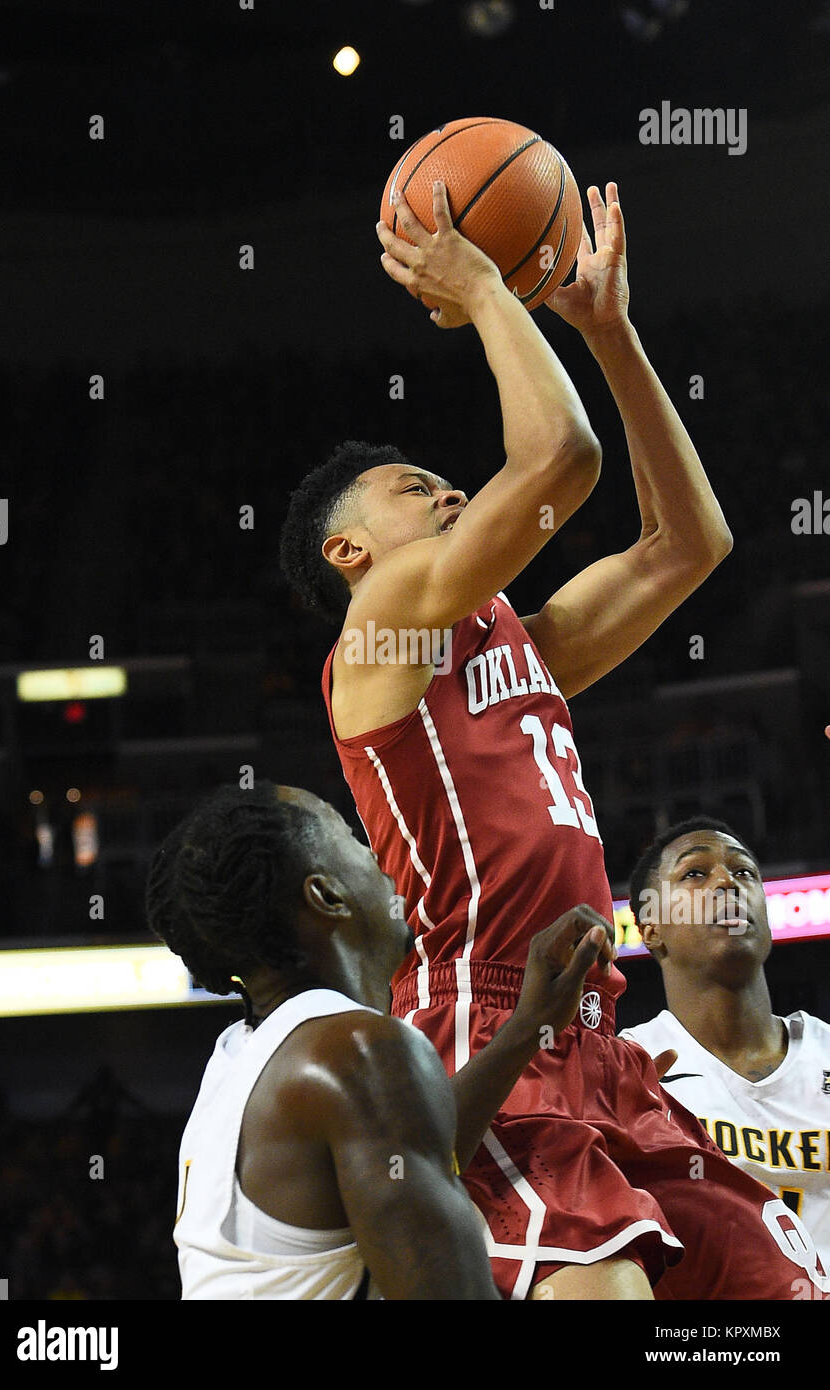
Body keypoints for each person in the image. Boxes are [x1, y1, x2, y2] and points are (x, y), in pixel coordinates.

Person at [280, 180, 829, 1301]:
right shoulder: (376, 640)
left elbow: (689, 544)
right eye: (411, 487)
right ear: (347, 552)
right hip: (474, 1025)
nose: (446, 490)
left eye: (445, 480)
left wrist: (610, 331)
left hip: (600, 1036)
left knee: (780, 1292)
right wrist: (484, 283)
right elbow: (559, 460)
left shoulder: (515, 644)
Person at [145, 780, 617, 1300]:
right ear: (326, 895)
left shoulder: (246, 1055)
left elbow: (405, 1150)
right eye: (349, 836)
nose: (374, 854)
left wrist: (526, 1028)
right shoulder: (356, 1051)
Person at [620, 815, 830, 1273]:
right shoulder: (629, 1068)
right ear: (650, 926)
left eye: (744, 872)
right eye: (695, 872)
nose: (727, 883)